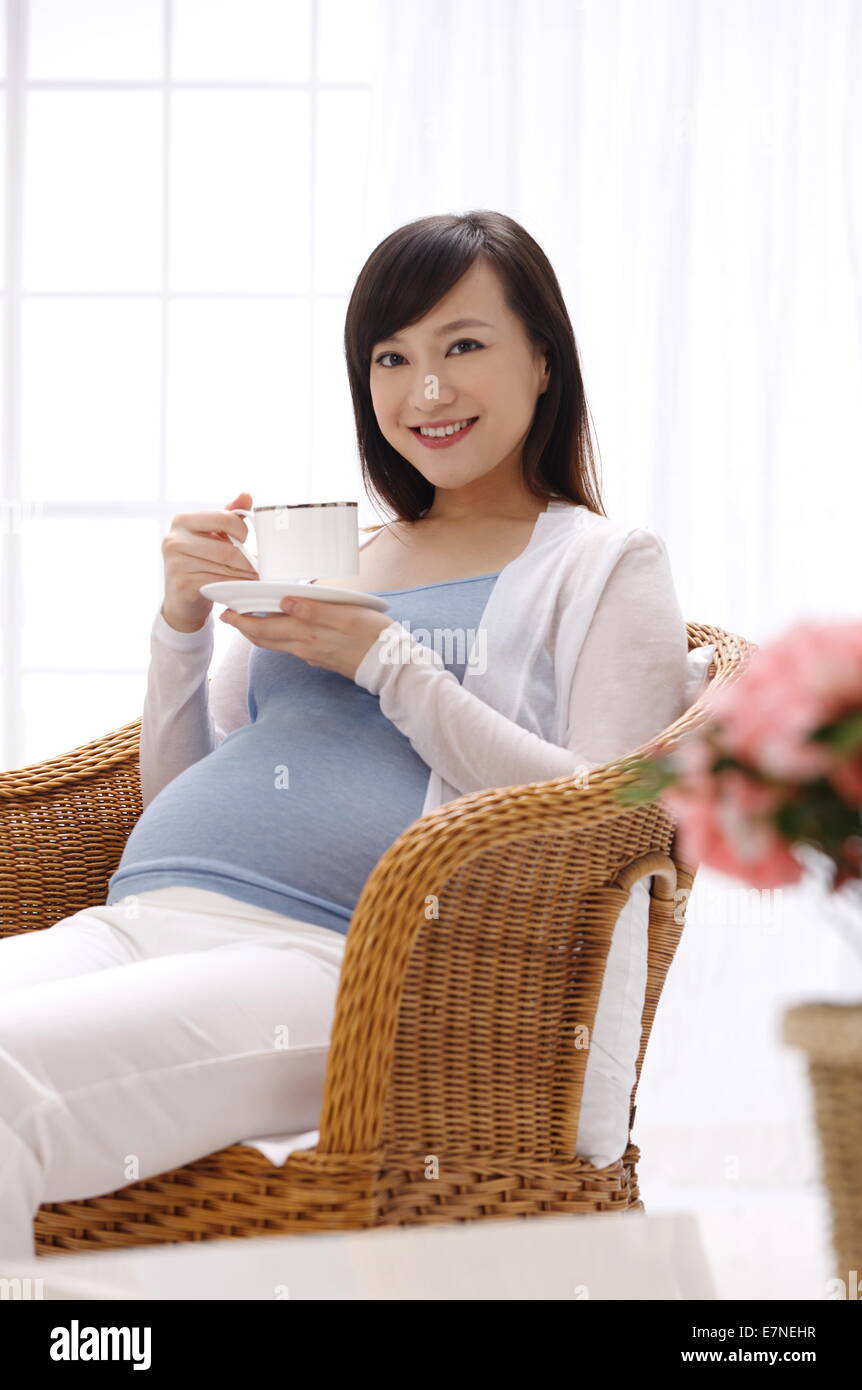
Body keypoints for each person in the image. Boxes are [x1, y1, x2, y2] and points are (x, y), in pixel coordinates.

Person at [0, 211, 688, 1261]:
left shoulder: (600, 563)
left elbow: (605, 810)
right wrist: (180, 625)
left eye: (463, 345)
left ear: (541, 360)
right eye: (391, 357)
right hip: (137, 921)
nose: (426, 390)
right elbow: (194, 775)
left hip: (328, 964)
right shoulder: (347, 553)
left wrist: (389, 665)